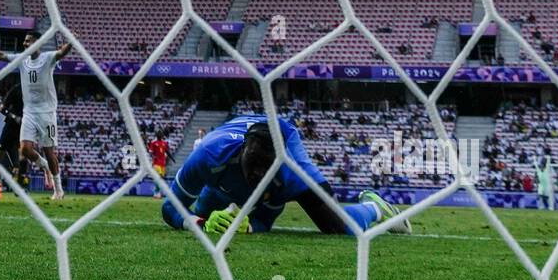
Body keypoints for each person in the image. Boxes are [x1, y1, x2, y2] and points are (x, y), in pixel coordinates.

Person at [161, 115, 410, 236]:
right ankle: (216, 199)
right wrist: (199, 223)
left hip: (286, 136)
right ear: (241, 152)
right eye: (253, 164)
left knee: (338, 227)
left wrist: (249, 228)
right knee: (205, 211)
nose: (258, 174)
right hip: (243, 142)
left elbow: (264, 223)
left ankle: (375, 207)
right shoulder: (209, 153)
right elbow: (169, 209)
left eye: (265, 168)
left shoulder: (288, 175)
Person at [0, 32, 72, 201]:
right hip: (29, 113)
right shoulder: (22, 59)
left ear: (37, 43)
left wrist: (71, 43)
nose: (24, 44)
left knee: (49, 151)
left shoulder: (48, 58)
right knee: (25, 149)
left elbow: (62, 53)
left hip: (46, 113)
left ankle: (58, 189)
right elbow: (1, 55)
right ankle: (45, 166)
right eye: (24, 41)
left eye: (28, 41)